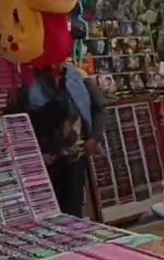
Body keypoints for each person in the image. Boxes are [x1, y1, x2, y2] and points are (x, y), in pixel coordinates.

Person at [14, 62, 107, 217]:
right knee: (48, 212)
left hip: (75, 156)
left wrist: (94, 137)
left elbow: (99, 108)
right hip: (45, 159)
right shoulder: (30, 83)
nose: (54, 67)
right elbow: (22, 120)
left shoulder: (78, 76)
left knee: (73, 209)